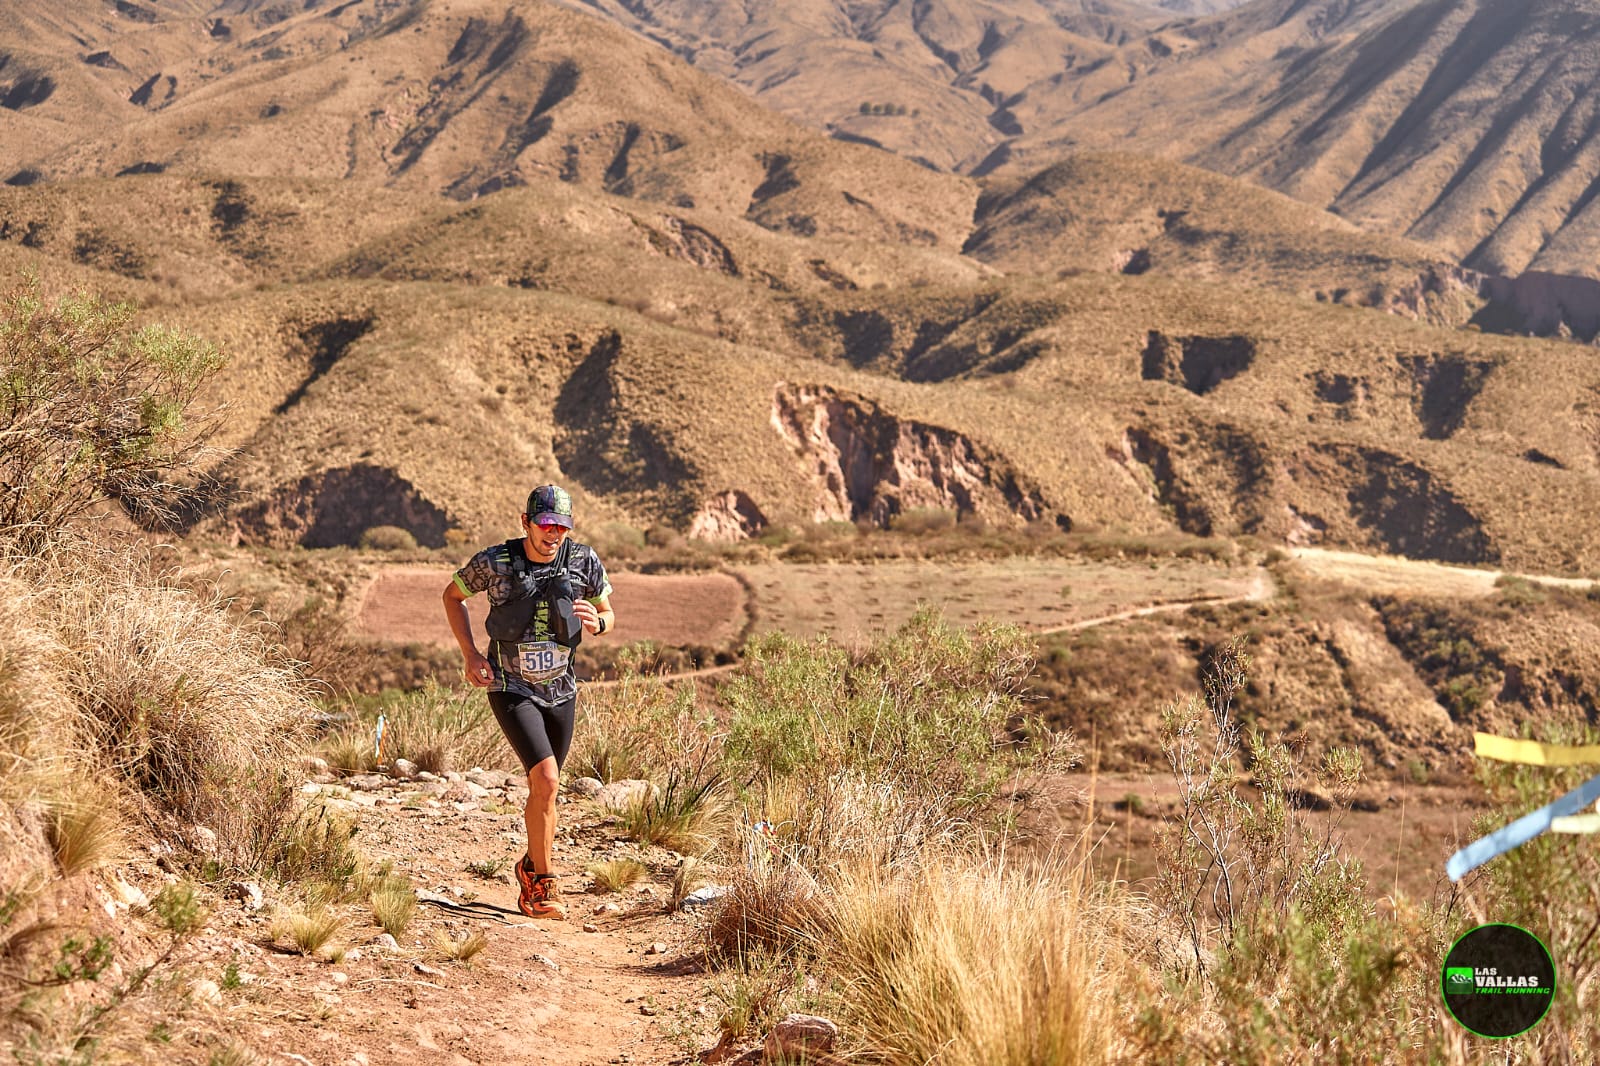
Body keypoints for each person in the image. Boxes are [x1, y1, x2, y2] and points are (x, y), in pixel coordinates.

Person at [442, 484, 615, 919]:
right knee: (548, 778)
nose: (552, 532)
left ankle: (530, 867)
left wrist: (601, 622)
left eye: (561, 525)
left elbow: (608, 611)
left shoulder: (583, 560)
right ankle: (545, 883)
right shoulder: (496, 562)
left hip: (562, 690)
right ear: (526, 522)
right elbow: (452, 595)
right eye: (545, 524)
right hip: (511, 686)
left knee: (546, 790)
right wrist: (470, 654)